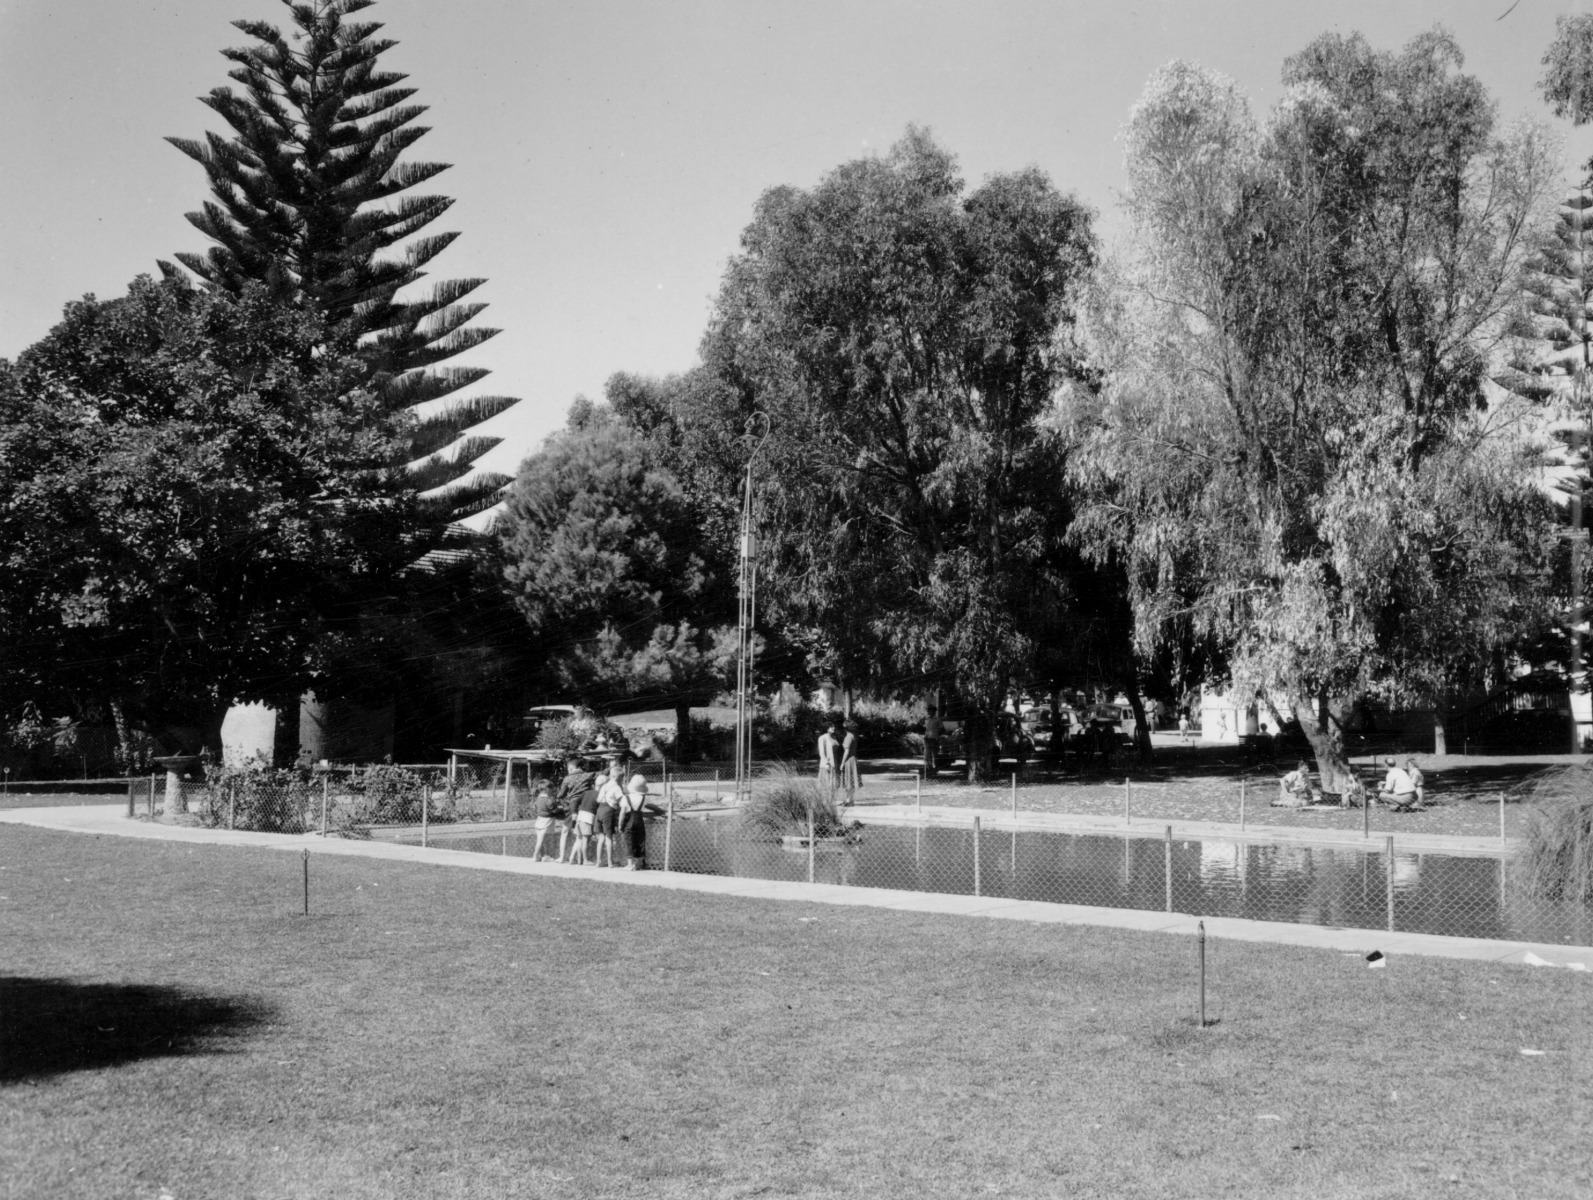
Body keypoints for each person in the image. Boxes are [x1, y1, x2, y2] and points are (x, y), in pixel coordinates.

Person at [593, 768, 624, 868]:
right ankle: (610, 862)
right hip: (608, 810)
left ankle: (598, 861)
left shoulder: (605, 786)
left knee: (601, 837)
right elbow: (621, 801)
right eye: (621, 779)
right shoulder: (617, 788)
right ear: (618, 778)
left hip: (600, 810)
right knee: (609, 837)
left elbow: (598, 799)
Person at [620, 773, 650, 870]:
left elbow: (622, 813)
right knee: (640, 841)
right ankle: (638, 864)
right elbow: (647, 807)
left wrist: (620, 825)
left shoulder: (626, 798)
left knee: (629, 841)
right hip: (639, 821)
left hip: (629, 821)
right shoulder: (644, 798)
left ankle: (629, 864)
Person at [529, 787, 561, 861]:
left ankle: (543, 856)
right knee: (541, 840)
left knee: (540, 840)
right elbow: (554, 809)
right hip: (546, 821)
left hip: (539, 820)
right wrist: (559, 808)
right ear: (547, 791)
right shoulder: (548, 800)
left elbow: (534, 808)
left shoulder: (537, 800)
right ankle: (535, 856)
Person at [817, 719, 842, 796]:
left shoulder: (834, 737)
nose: (833, 728)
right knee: (826, 783)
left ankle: (832, 801)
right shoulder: (822, 738)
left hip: (835, 763)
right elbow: (821, 752)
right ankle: (824, 801)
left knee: (834, 783)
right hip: (827, 764)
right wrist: (826, 763)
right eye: (831, 727)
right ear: (827, 728)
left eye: (833, 726)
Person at [840, 720, 861, 806]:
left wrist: (842, 763)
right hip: (853, 759)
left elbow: (847, 751)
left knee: (849, 780)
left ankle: (850, 800)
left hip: (849, 760)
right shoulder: (853, 736)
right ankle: (849, 799)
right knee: (850, 780)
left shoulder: (848, 737)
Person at [923, 706, 944, 778]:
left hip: (934, 739)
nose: (929, 712)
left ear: (934, 711)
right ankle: (929, 768)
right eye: (928, 710)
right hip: (927, 738)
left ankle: (935, 769)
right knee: (927, 754)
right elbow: (926, 728)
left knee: (934, 754)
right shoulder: (927, 719)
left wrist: (937, 735)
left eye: (930, 710)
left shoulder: (937, 719)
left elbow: (942, 729)